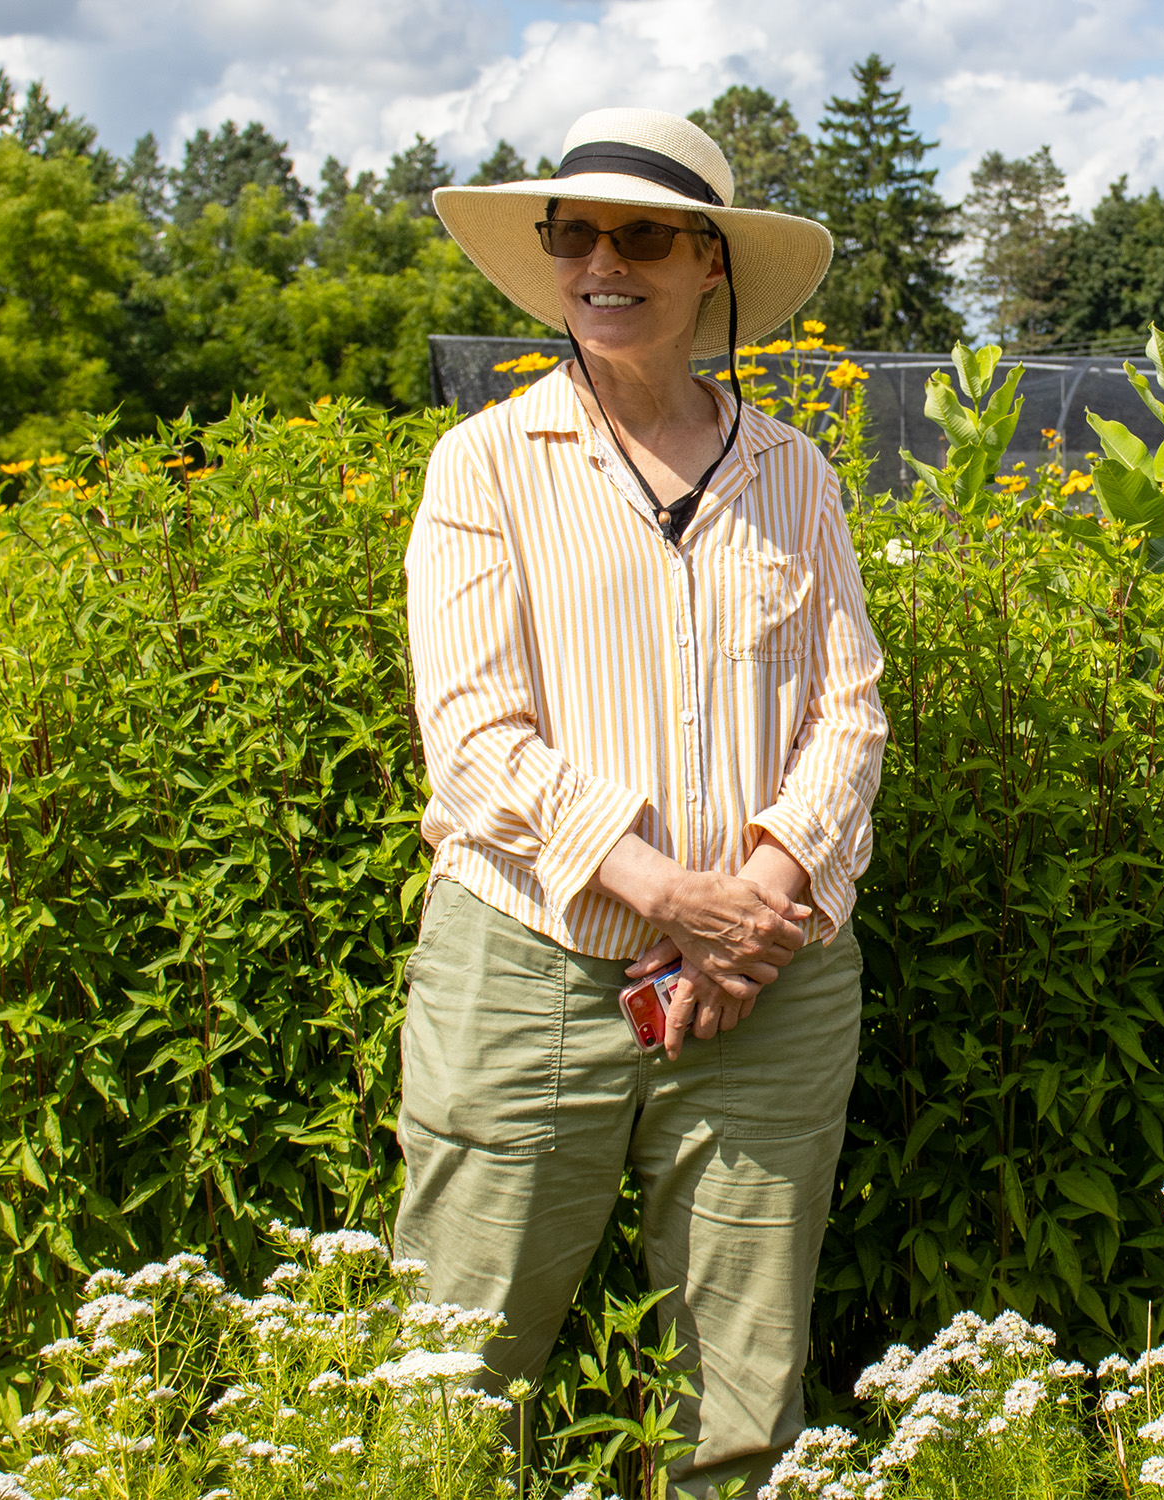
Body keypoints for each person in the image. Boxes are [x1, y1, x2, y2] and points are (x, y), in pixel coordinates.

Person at [400, 108, 887, 1497]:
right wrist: (678, 899)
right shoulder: (487, 466)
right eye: (576, 234)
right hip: (531, 971)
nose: (603, 262)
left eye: (644, 236)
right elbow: (474, 735)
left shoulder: (793, 473)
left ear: (710, 261)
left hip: (769, 990)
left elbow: (850, 711)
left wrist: (759, 909)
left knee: (741, 1394)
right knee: (457, 1366)